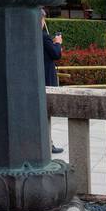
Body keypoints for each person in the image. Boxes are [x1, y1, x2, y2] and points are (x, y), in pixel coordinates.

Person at [41, 10, 65, 155]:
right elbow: (56, 54)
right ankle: (47, 143)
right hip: (45, 78)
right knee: (46, 113)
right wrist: (58, 44)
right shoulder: (44, 37)